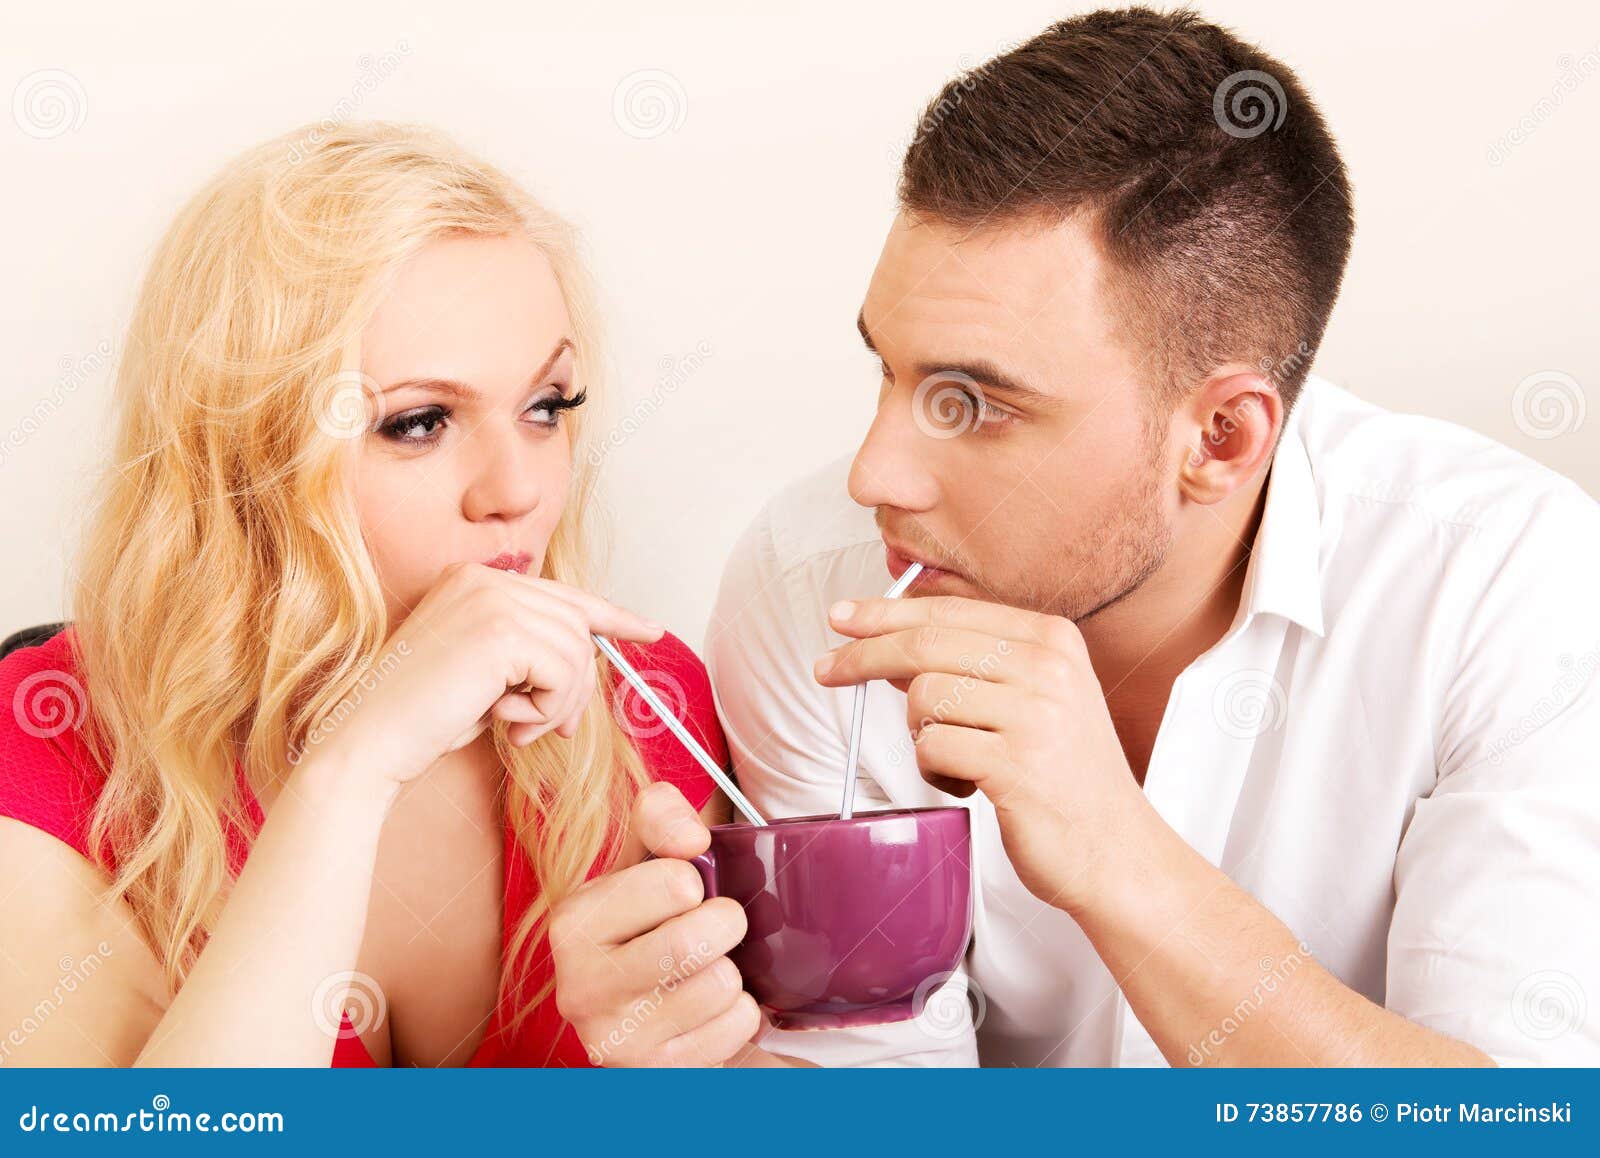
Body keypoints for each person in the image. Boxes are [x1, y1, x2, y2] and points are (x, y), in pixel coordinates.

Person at [552, 7, 1600, 1066]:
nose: (876, 474)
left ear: (1221, 438)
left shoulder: (1509, 585)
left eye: (976, 402)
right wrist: (708, 1083)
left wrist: (1116, 854)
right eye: (892, 370)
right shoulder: (809, 582)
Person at [0, 121, 758, 1067]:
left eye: (545, 407)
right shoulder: (47, 742)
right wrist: (355, 764)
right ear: (243, 456)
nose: (516, 492)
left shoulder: (652, 713)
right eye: (419, 422)